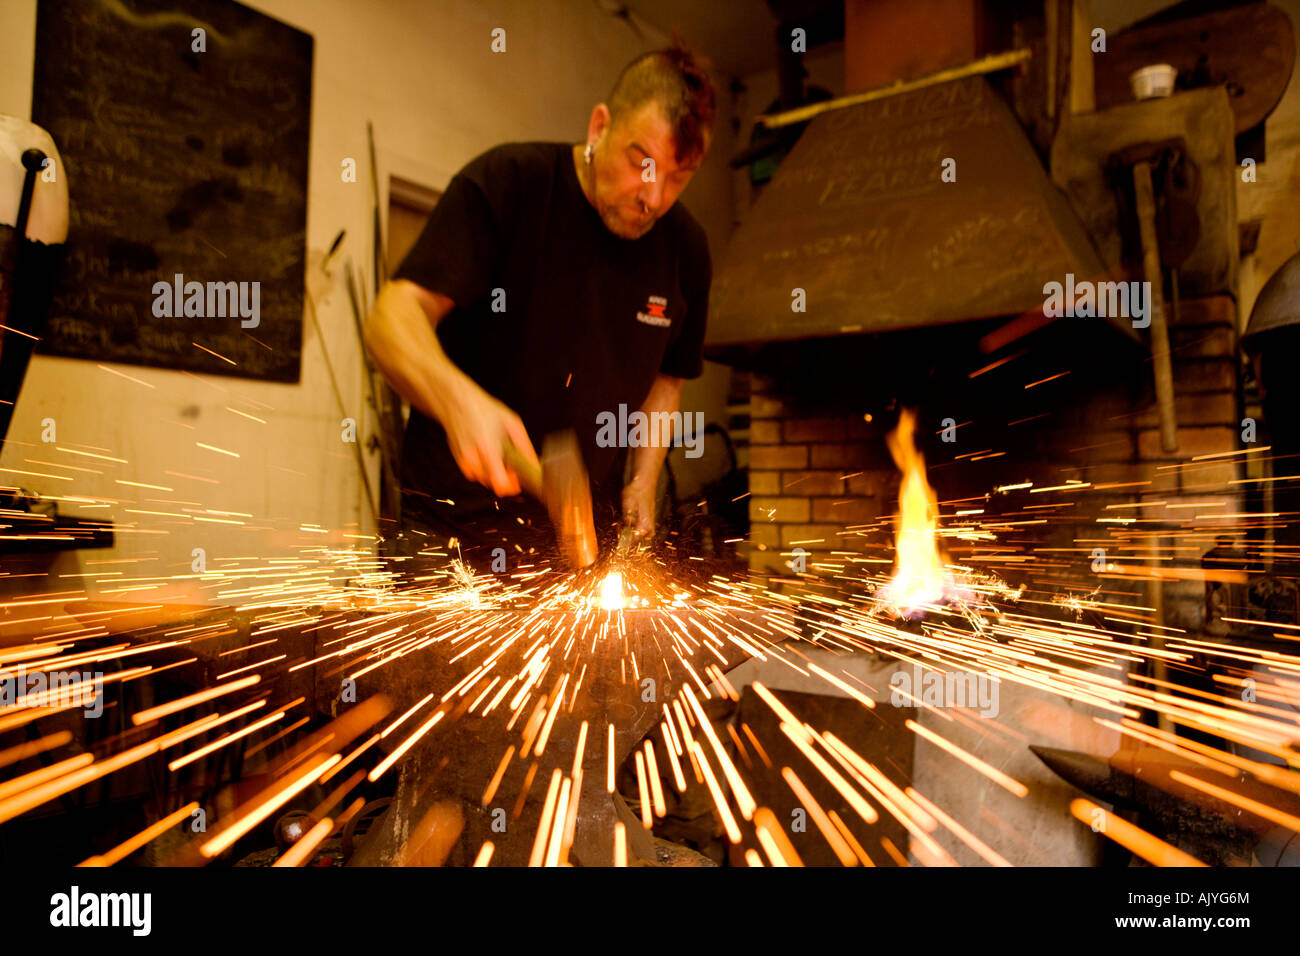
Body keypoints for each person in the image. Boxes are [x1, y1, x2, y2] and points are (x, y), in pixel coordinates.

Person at [364, 42, 715, 575]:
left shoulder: (686, 249)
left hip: (570, 553)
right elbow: (391, 317)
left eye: (676, 177)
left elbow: (668, 381)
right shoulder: (509, 184)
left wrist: (643, 480)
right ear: (600, 127)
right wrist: (458, 400)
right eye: (640, 162)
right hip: (444, 542)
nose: (653, 196)